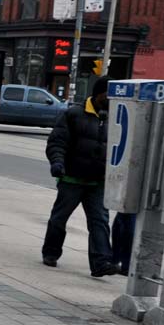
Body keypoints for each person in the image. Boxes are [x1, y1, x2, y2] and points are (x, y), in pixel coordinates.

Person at [42, 76, 119, 277]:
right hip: (72, 178)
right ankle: (51, 252)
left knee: (100, 221)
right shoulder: (74, 114)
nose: (111, 100)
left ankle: (101, 262)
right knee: (59, 218)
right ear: (98, 93)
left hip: (98, 181)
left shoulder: (115, 118)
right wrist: (57, 163)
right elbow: (57, 142)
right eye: (108, 96)